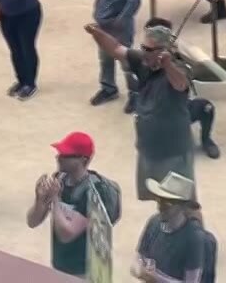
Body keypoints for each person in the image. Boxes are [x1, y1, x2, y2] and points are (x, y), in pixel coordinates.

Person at [88, 21, 198, 198]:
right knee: (159, 199)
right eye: (143, 47)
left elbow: (180, 84)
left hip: (173, 153)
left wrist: (168, 64)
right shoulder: (143, 62)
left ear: (163, 51)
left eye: (148, 49)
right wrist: (96, 33)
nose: (143, 53)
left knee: (183, 203)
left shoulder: (179, 68)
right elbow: (116, 49)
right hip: (148, 149)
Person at [28, 131, 123, 278]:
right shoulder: (59, 179)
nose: (59, 158)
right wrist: (39, 200)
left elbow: (67, 234)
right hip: (60, 264)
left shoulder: (95, 191)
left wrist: (55, 200)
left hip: (84, 271)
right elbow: (32, 222)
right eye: (60, 153)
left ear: (83, 160)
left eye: (66, 155)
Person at [86, 0, 142, 107]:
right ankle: (108, 88)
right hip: (103, 20)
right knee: (105, 58)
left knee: (126, 59)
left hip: (120, 23)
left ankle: (135, 92)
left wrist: (122, 18)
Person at [135, 172, 211, 283]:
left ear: (182, 207)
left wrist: (156, 277)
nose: (160, 208)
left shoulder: (194, 237)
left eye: (167, 205)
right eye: (159, 201)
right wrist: (140, 269)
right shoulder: (154, 223)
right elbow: (137, 257)